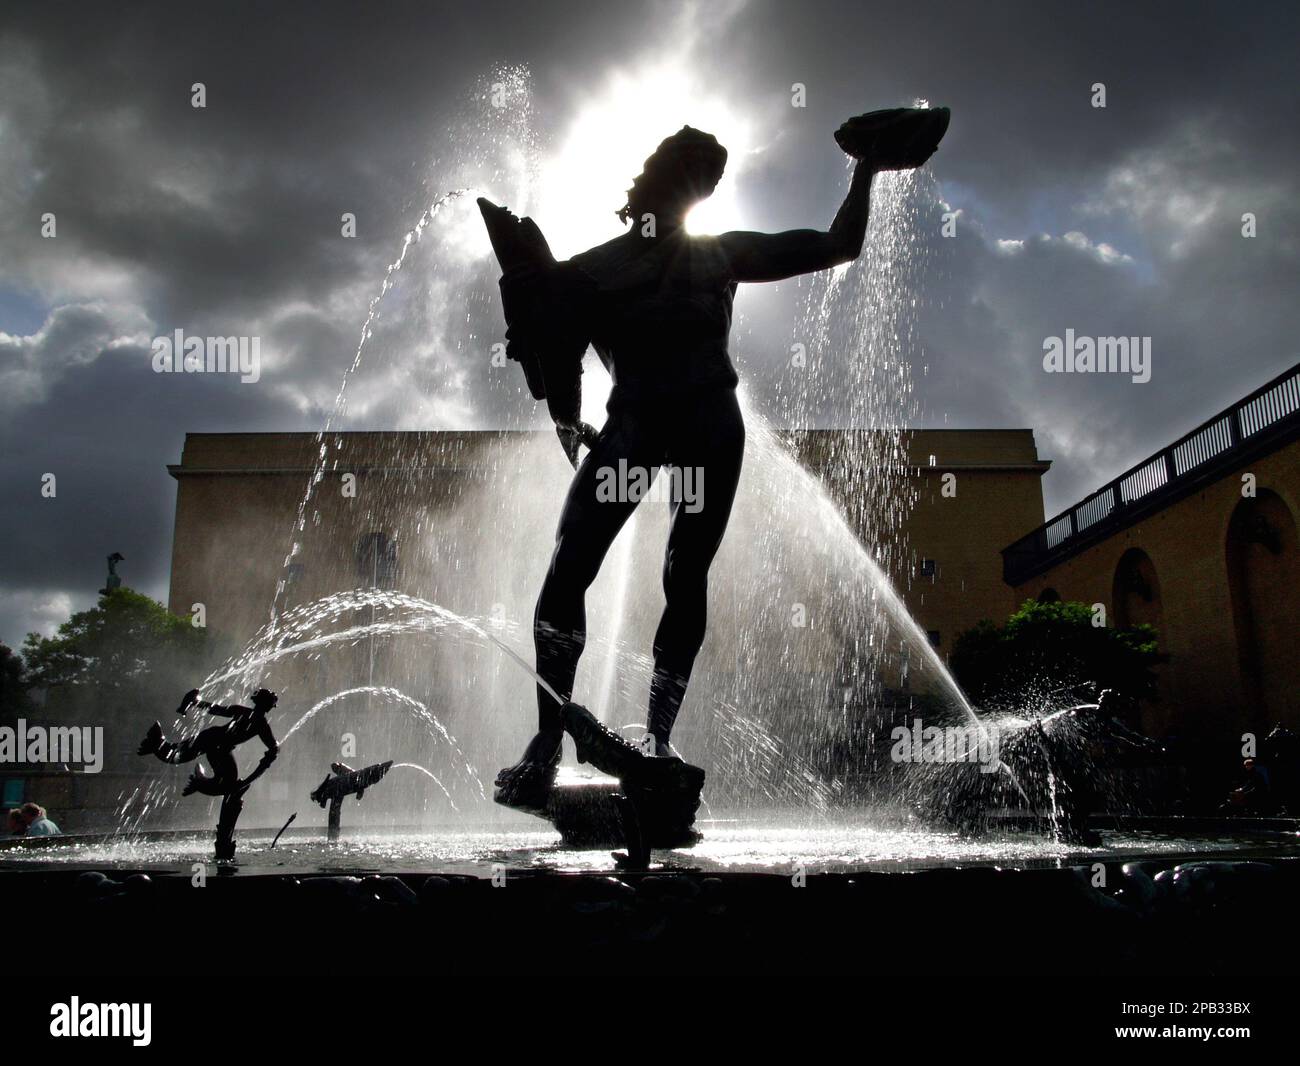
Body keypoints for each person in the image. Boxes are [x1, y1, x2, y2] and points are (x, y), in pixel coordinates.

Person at [495, 108, 950, 808]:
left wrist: (866, 171)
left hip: (710, 422)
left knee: (686, 572)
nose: (693, 189)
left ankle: (657, 736)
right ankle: (546, 736)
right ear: (650, 180)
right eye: (686, 173)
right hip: (634, 426)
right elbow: (555, 358)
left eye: (704, 181)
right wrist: (567, 416)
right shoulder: (590, 272)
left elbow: (837, 245)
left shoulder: (721, 253)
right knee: (566, 572)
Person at [138, 687, 279, 796]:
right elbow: (216, 710)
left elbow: (216, 710)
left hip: (218, 744)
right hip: (214, 741)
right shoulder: (261, 724)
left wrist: (196, 702)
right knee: (179, 756)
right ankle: (157, 743)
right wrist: (195, 702)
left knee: (226, 782)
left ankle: (158, 745)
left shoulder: (247, 714)